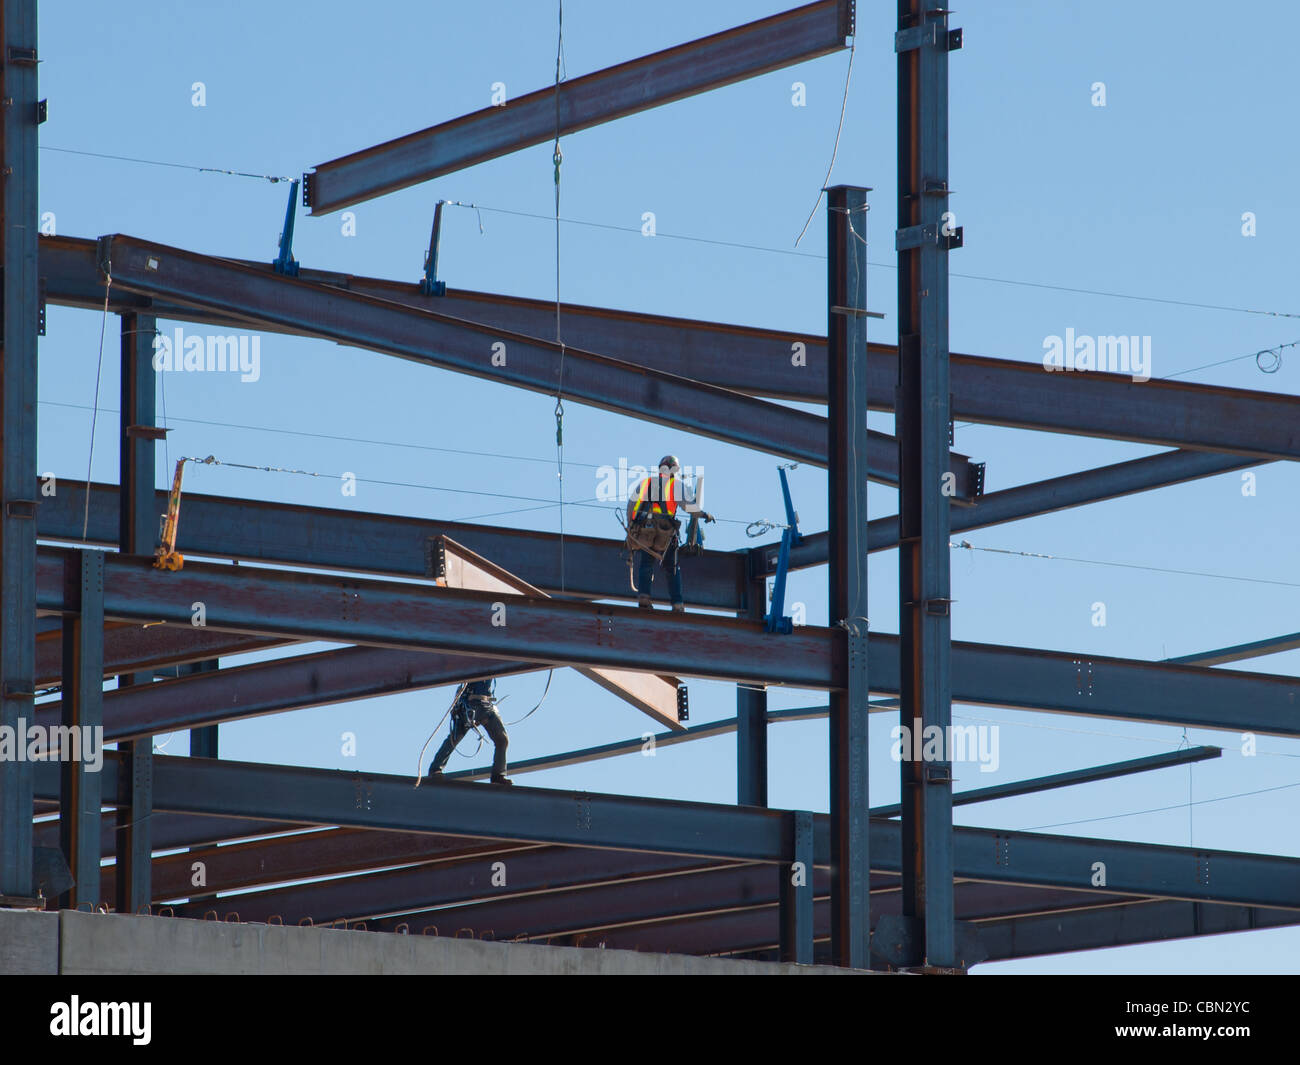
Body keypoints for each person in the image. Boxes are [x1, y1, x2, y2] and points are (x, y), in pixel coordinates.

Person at [625, 455, 713, 612]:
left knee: (646, 563)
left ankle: (644, 597)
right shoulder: (675, 486)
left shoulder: (646, 483)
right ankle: (677, 604)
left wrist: (631, 528)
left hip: (645, 529)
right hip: (665, 532)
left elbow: (631, 506)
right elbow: (689, 507)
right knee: (672, 566)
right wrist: (704, 515)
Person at [426, 678, 512, 785]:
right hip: (476, 704)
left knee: (455, 737)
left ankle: (435, 769)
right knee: (501, 740)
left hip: (473, 703)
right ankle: (498, 776)